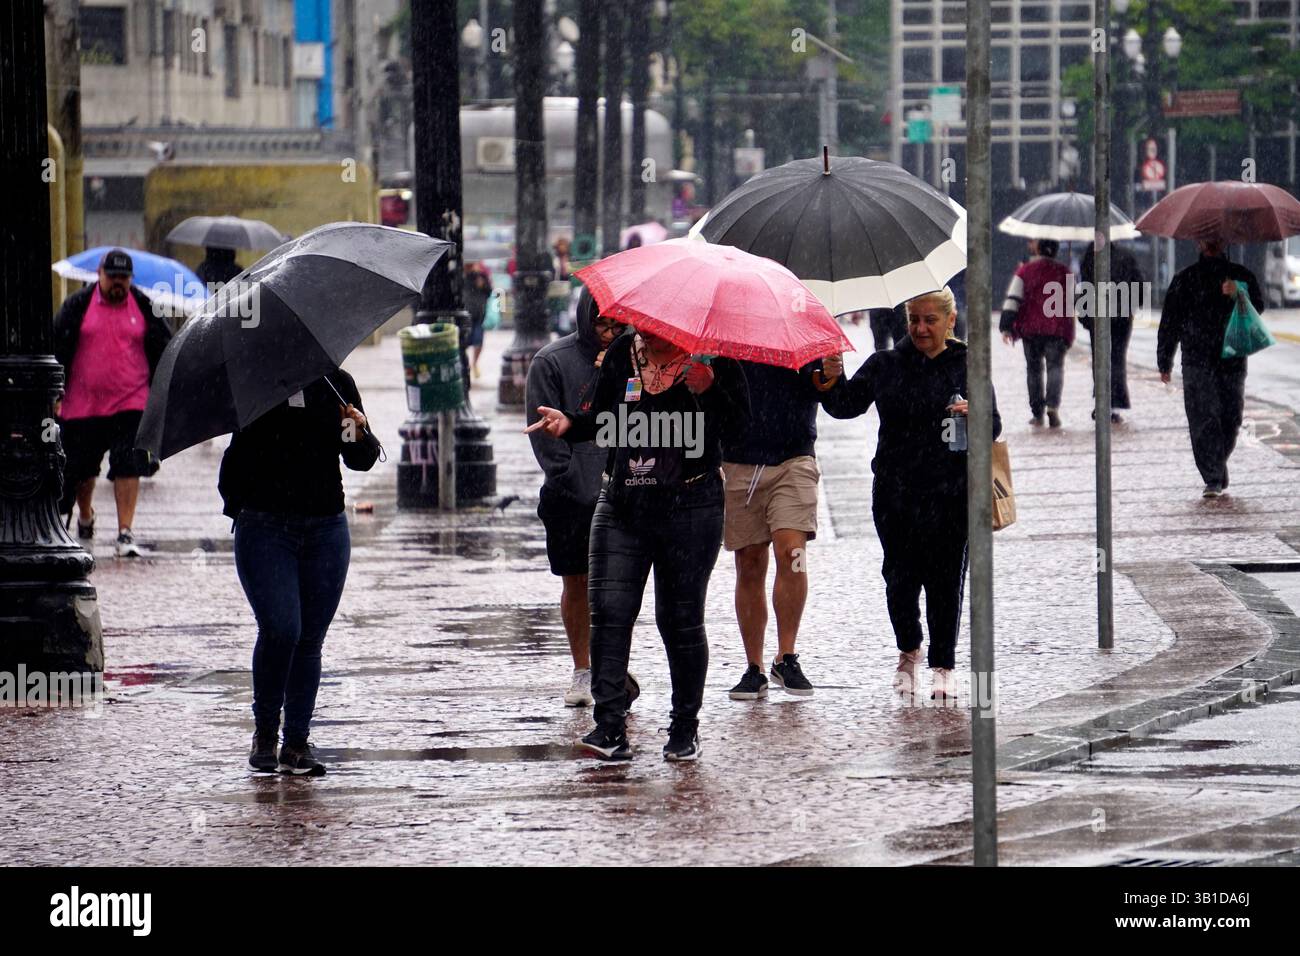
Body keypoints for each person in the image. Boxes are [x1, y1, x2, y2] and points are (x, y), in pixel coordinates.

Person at [527, 323, 749, 761]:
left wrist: (710, 390)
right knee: (608, 610)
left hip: (692, 503)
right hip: (623, 500)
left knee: (679, 619)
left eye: (661, 330)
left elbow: (741, 429)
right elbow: (605, 420)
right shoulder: (624, 353)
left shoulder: (715, 357)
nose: (651, 336)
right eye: (645, 326)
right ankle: (609, 726)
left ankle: (684, 727)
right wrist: (571, 423)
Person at [820, 287, 1001, 701]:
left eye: (930, 320)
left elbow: (993, 426)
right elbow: (844, 405)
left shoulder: (969, 363)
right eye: (914, 319)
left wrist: (977, 414)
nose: (920, 328)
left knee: (945, 579)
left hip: (952, 491)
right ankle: (908, 649)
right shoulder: (887, 364)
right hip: (896, 493)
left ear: (950, 321)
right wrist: (831, 377)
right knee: (899, 578)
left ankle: (943, 664)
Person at [218, 370, 382, 775]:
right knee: (281, 629)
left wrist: (355, 428)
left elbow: (358, 459)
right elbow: (232, 471)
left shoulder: (335, 384)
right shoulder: (256, 385)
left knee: (309, 638)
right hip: (265, 528)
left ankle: (296, 743)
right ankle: (265, 733)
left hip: (326, 528)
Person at [525, 288, 637, 707]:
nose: (609, 333)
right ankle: (582, 667)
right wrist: (573, 478)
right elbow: (546, 437)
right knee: (577, 581)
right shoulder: (551, 361)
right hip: (570, 496)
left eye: (617, 325)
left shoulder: (635, 360)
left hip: (624, 486)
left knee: (619, 585)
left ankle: (612, 662)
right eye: (602, 324)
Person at [54, 249, 172, 558]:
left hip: (131, 403)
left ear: (131, 279)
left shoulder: (144, 306)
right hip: (82, 405)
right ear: (100, 274)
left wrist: (161, 394)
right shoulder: (78, 306)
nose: (118, 283)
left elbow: (164, 347)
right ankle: (85, 517)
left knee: (127, 463)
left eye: (124, 278)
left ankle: (125, 532)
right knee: (82, 469)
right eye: (113, 277)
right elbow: (58, 345)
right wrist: (55, 394)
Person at [721, 357, 827, 700]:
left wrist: (831, 380)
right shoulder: (726, 338)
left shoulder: (803, 335)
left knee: (793, 553)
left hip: (793, 459)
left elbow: (837, 402)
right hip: (740, 461)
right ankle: (754, 667)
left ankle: (787, 655)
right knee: (749, 564)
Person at [1157, 238, 1265, 498]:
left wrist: (1239, 291)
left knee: (1231, 417)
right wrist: (1164, 360)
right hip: (1196, 359)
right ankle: (1213, 477)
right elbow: (1170, 321)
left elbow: (1258, 307)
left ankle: (1216, 464)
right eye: (1207, 239)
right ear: (1198, 244)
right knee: (1203, 418)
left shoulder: (1241, 276)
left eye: (1217, 238)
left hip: (1232, 357)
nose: (1212, 243)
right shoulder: (1185, 279)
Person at [1000, 238, 1074, 428]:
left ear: (1038, 248)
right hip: (1056, 329)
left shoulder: (1024, 271)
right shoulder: (1064, 271)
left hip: (1031, 329)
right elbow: (1074, 300)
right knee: (1055, 367)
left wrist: (1006, 325)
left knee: (1033, 370)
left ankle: (1037, 412)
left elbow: (1013, 298)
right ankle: (1052, 406)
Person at [1079, 240, 1144, 424]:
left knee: (1099, 359)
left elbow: (1084, 285)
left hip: (1096, 315)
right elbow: (1138, 284)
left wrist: (1084, 315)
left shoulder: (1090, 255)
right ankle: (1113, 403)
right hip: (1122, 316)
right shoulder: (1126, 257)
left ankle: (1102, 400)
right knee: (1117, 357)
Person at [463, 263, 493, 380]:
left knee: (478, 341)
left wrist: (483, 284)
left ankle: (474, 363)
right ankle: (465, 364)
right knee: (465, 341)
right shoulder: (461, 276)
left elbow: (489, 292)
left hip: (479, 314)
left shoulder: (481, 276)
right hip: (466, 314)